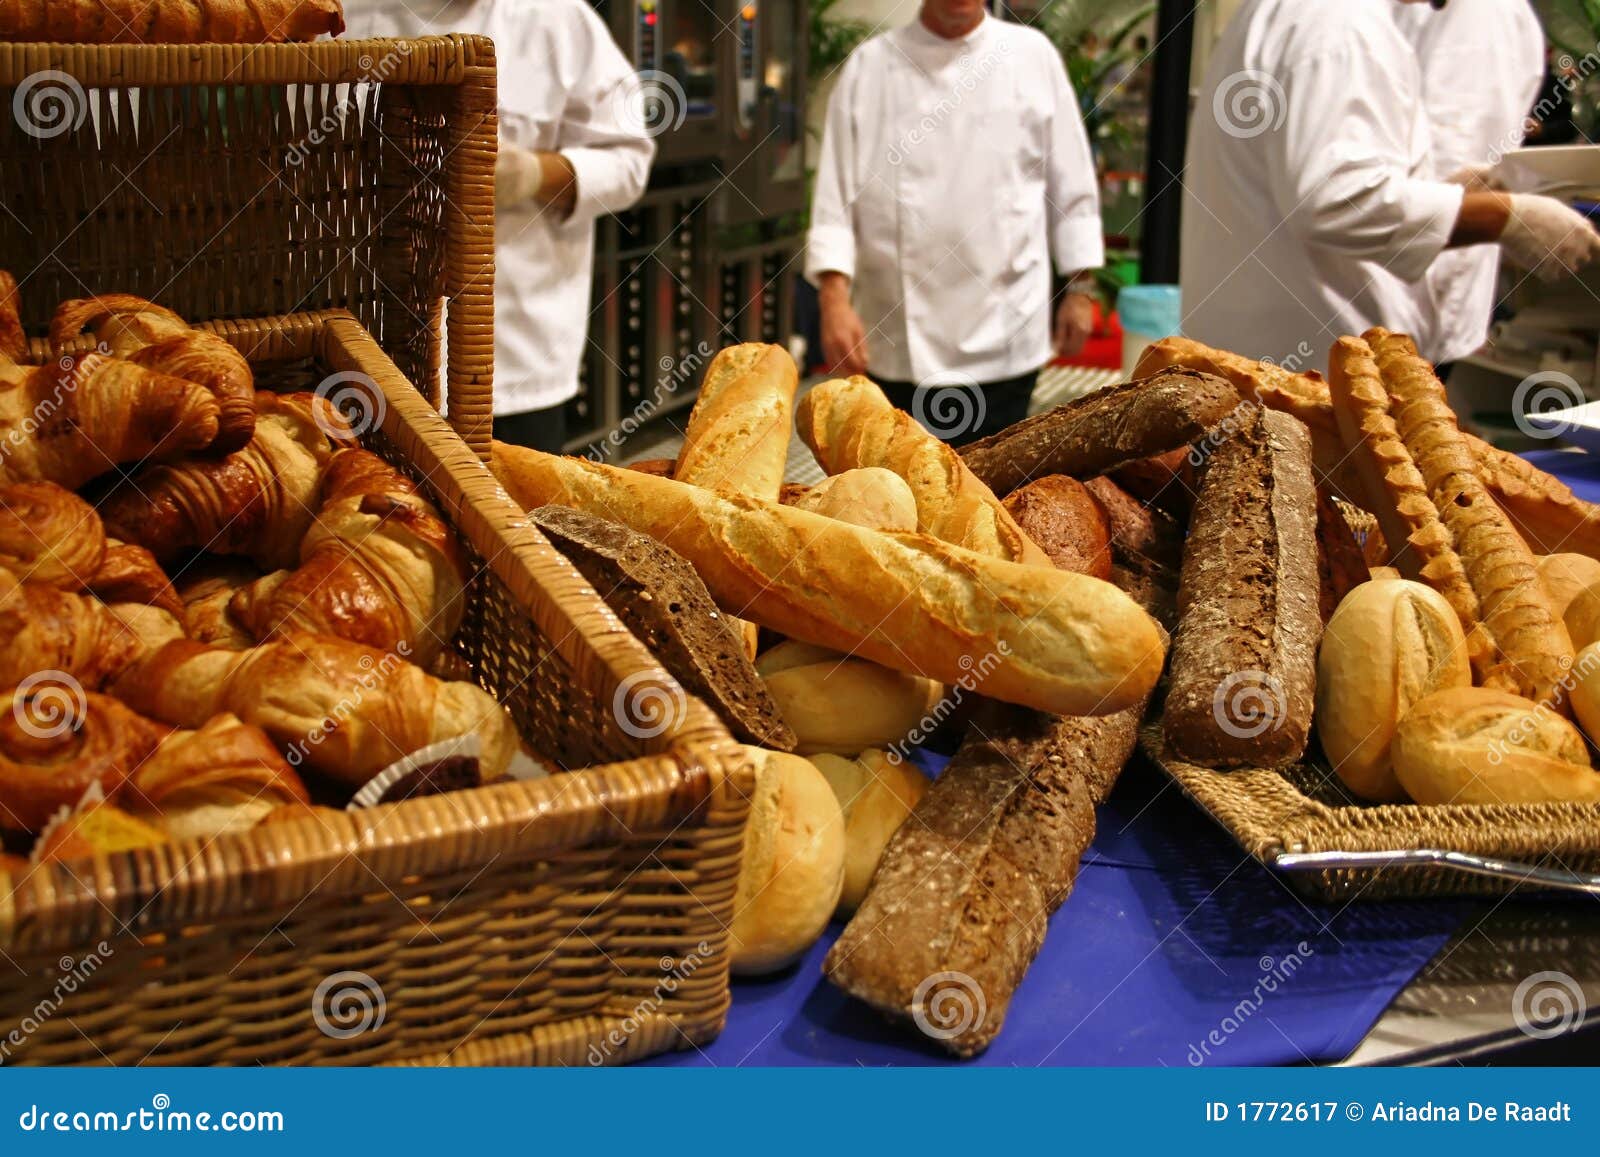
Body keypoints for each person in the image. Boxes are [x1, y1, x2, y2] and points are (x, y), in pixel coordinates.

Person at [1180, 0, 1600, 374]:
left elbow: (1322, 173)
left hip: (1258, 350)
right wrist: (1506, 218)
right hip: (1308, 365)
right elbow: (1334, 201)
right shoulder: (1343, 28)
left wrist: (1440, 191)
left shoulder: (1292, 12)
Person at [343, 0, 655, 451]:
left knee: (512, 516)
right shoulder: (345, 17)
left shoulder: (559, 18)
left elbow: (629, 162)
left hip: (516, 363)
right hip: (365, 346)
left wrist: (533, 174)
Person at [806, 0, 1104, 444]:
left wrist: (1079, 287)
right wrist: (833, 299)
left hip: (1005, 334)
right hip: (896, 341)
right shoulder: (869, 67)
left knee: (995, 497)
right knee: (904, 495)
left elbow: (1072, 186)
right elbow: (835, 196)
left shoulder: (1030, 55)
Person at [1395, 0, 1544, 371]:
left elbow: (1456, 158)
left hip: (1410, 300)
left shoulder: (1481, 14)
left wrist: (1418, 329)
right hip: (1396, 294)